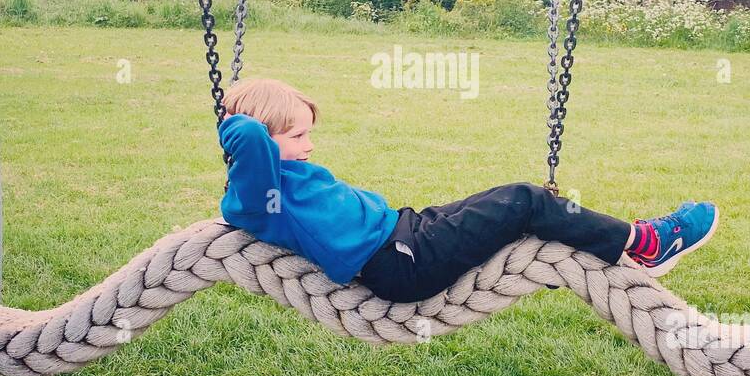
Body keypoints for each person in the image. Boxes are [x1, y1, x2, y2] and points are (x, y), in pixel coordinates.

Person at [218, 77, 718, 304]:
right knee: (523, 199)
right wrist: (237, 118)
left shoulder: (275, 182)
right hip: (399, 264)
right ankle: (644, 245)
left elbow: (262, 142)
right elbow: (248, 139)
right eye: (296, 135)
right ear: (260, 137)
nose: (309, 145)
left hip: (405, 228)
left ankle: (628, 238)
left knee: (508, 197)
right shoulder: (260, 193)